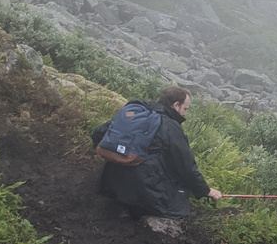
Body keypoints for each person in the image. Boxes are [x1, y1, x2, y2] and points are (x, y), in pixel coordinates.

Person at [93, 86, 222, 221]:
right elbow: (186, 166)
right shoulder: (170, 126)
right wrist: (205, 191)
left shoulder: (138, 113)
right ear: (176, 105)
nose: (185, 114)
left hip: (111, 184)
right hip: (144, 194)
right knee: (178, 199)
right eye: (185, 109)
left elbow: (98, 133)